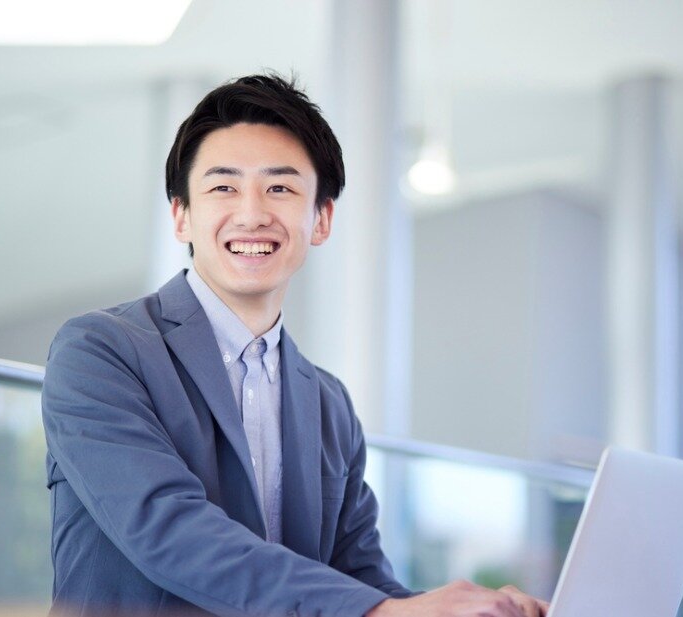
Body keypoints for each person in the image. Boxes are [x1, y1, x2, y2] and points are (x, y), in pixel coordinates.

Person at [42, 73, 549, 617]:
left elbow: (359, 580)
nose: (252, 214)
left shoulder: (328, 403)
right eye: (223, 188)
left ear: (321, 219)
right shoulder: (100, 352)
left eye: (280, 188)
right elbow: (170, 531)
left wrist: (472, 608)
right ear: (181, 216)